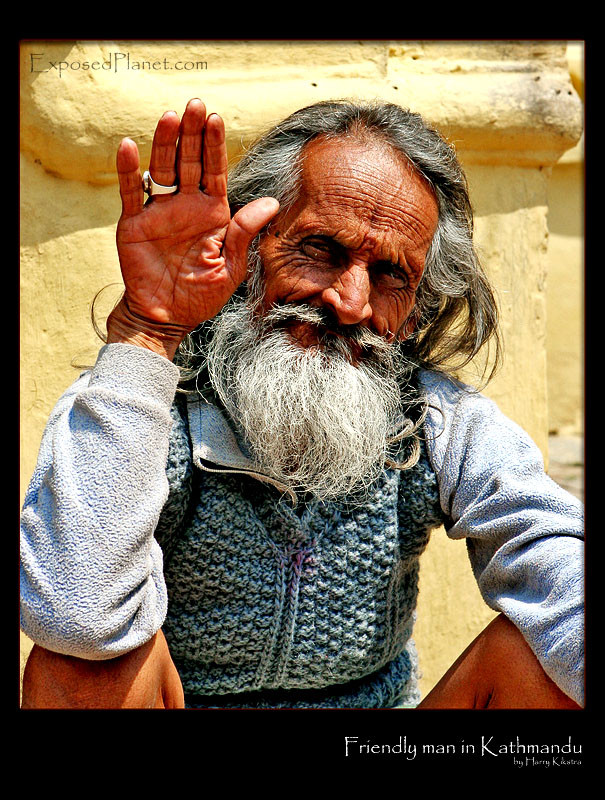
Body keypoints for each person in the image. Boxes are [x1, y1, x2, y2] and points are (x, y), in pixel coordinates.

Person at [20, 98, 583, 709]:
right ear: (251, 247)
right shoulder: (153, 397)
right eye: (319, 249)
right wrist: (147, 331)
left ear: (416, 308)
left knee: (540, 657)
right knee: (85, 669)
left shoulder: (434, 421)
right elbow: (74, 608)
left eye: (392, 273)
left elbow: (552, 552)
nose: (350, 301)